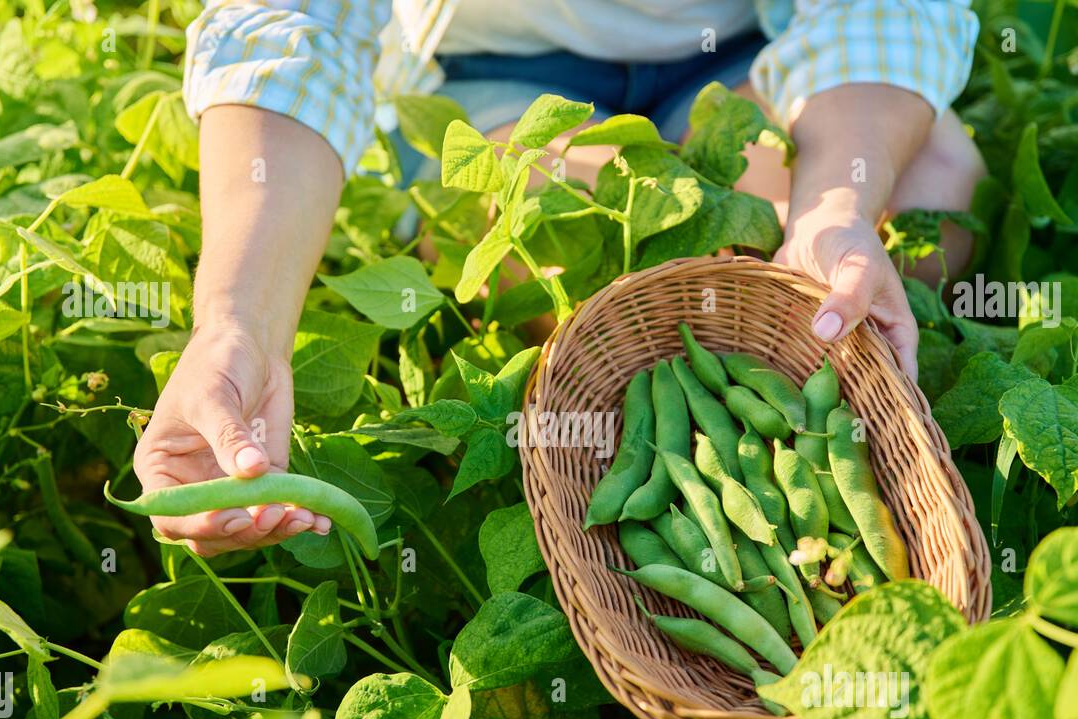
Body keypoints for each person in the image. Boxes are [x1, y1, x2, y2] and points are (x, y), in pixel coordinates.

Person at [139, 0, 985, 555]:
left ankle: (770, 507)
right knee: (573, 257)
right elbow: (292, 23)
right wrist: (237, 323)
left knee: (928, 192)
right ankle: (694, 505)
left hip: (743, 52)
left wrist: (829, 208)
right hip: (502, 78)